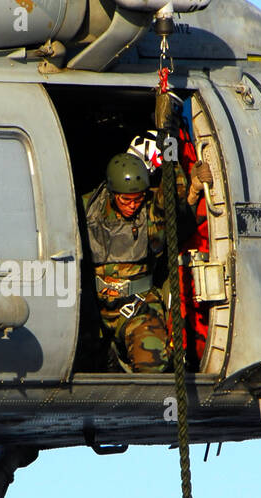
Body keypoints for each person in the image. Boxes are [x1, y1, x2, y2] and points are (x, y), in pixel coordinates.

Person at [82, 140, 212, 372]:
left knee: (153, 364)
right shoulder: (88, 208)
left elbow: (171, 200)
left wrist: (171, 148)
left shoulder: (151, 210)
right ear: (112, 193)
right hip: (93, 307)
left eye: (138, 199)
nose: (133, 206)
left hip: (137, 305)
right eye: (126, 200)